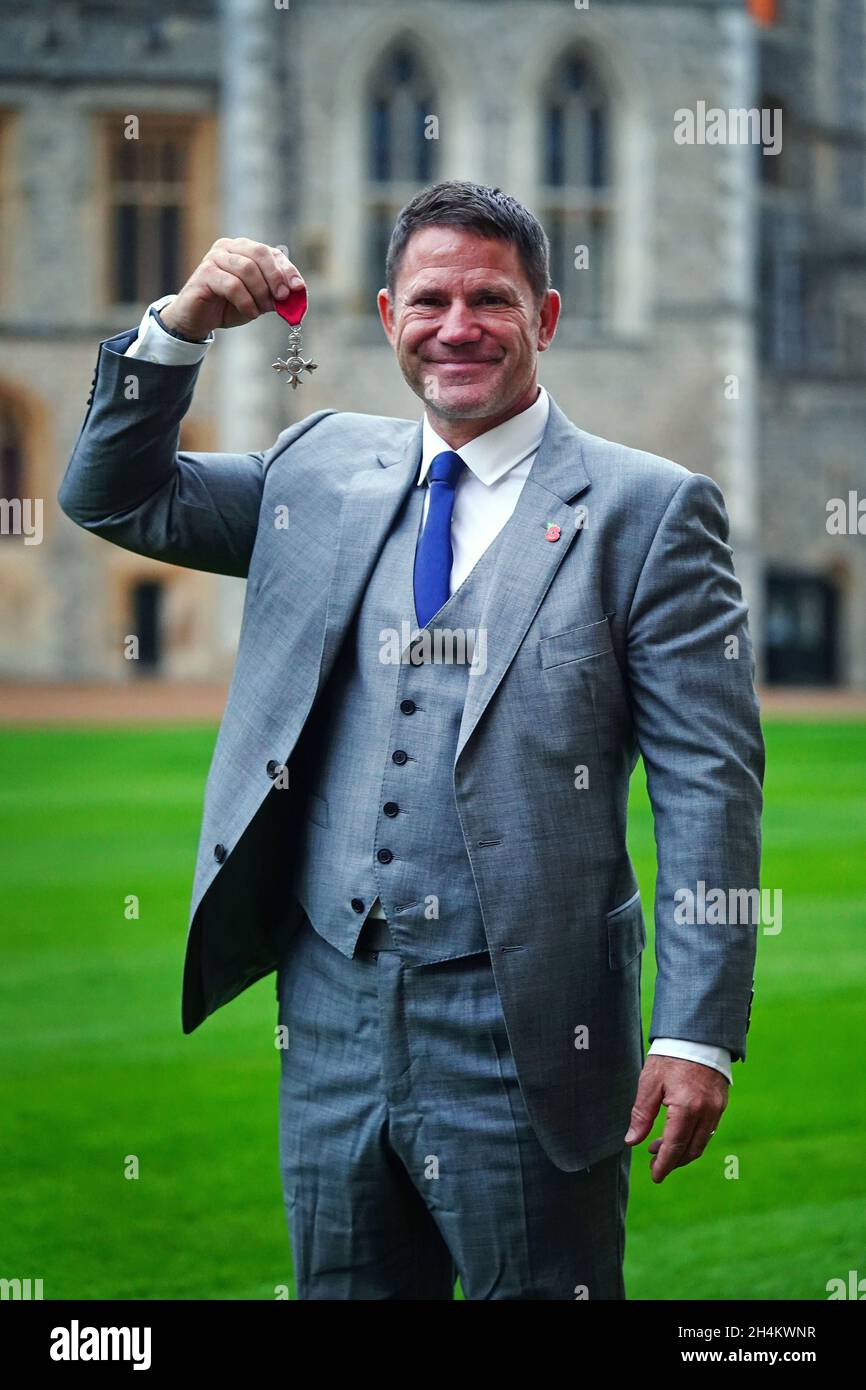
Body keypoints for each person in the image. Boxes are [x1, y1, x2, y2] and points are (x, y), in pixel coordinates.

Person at [58, 180, 764, 1300]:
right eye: (429, 299)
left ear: (546, 317)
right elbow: (113, 499)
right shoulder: (318, 470)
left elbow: (707, 787)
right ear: (388, 317)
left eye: (491, 298)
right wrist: (177, 324)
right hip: (327, 1012)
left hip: (528, 1025)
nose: (458, 325)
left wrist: (696, 1032)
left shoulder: (648, 511)